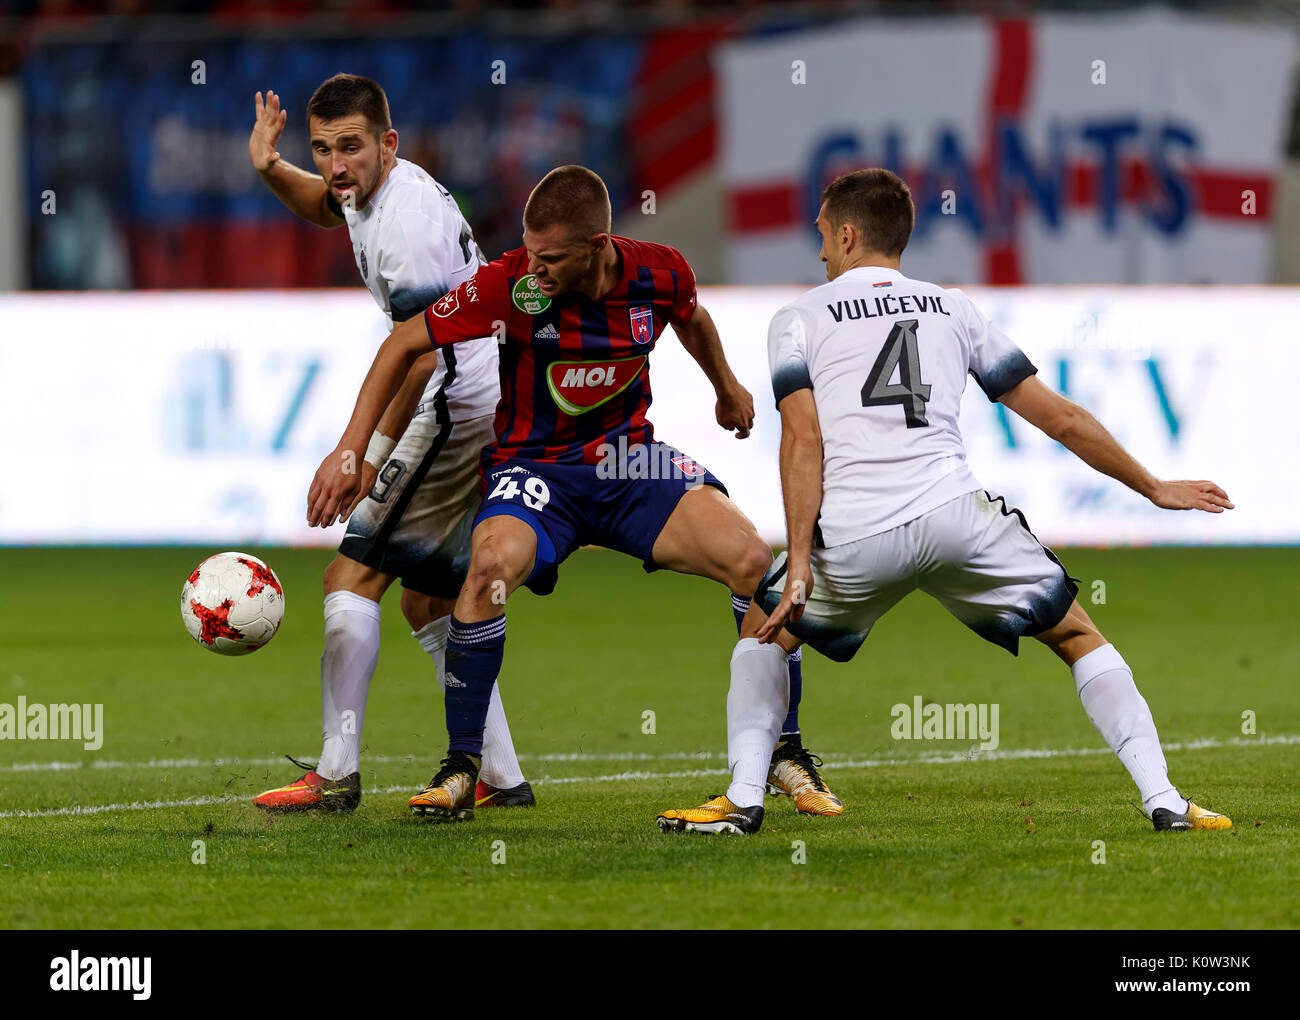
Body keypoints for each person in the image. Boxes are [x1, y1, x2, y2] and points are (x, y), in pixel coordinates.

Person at [658, 168, 1234, 835]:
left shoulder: (799, 317)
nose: (819, 252)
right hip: (958, 520)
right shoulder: (952, 307)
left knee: (763, 624)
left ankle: (743, 799)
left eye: (821, 235)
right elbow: (1062, 418)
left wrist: (802, 556)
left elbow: (803, 439)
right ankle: (1164, 800)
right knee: (1077, 633)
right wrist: (1154, 487)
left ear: (846, 233)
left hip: (859, 532)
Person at [306, 164, 842, 822]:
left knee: (753, 560)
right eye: (530, 254)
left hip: (628, 463)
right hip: (537, 473)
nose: (536, 272)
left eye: (552, 259)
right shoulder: (508, 283)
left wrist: (725, 386)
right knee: (489, 567)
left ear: (599, 246)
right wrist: (350, 451)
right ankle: (462, 766)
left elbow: (692, 318)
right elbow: (404, 344)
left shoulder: (659, 272)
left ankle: (783, 752)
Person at [247, 74, 531, 812]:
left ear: (388, 143)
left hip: (453, 398)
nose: (336, 166)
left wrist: (363, 456)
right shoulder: (364, 189)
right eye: (323, 149)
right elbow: (321, 202)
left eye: (350, 148)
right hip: (479, 394)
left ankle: (336, 776)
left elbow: (421, 353)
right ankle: (502, 777)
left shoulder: (405, 224)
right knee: (428, 602)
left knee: (351, 578)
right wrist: (273, 166)